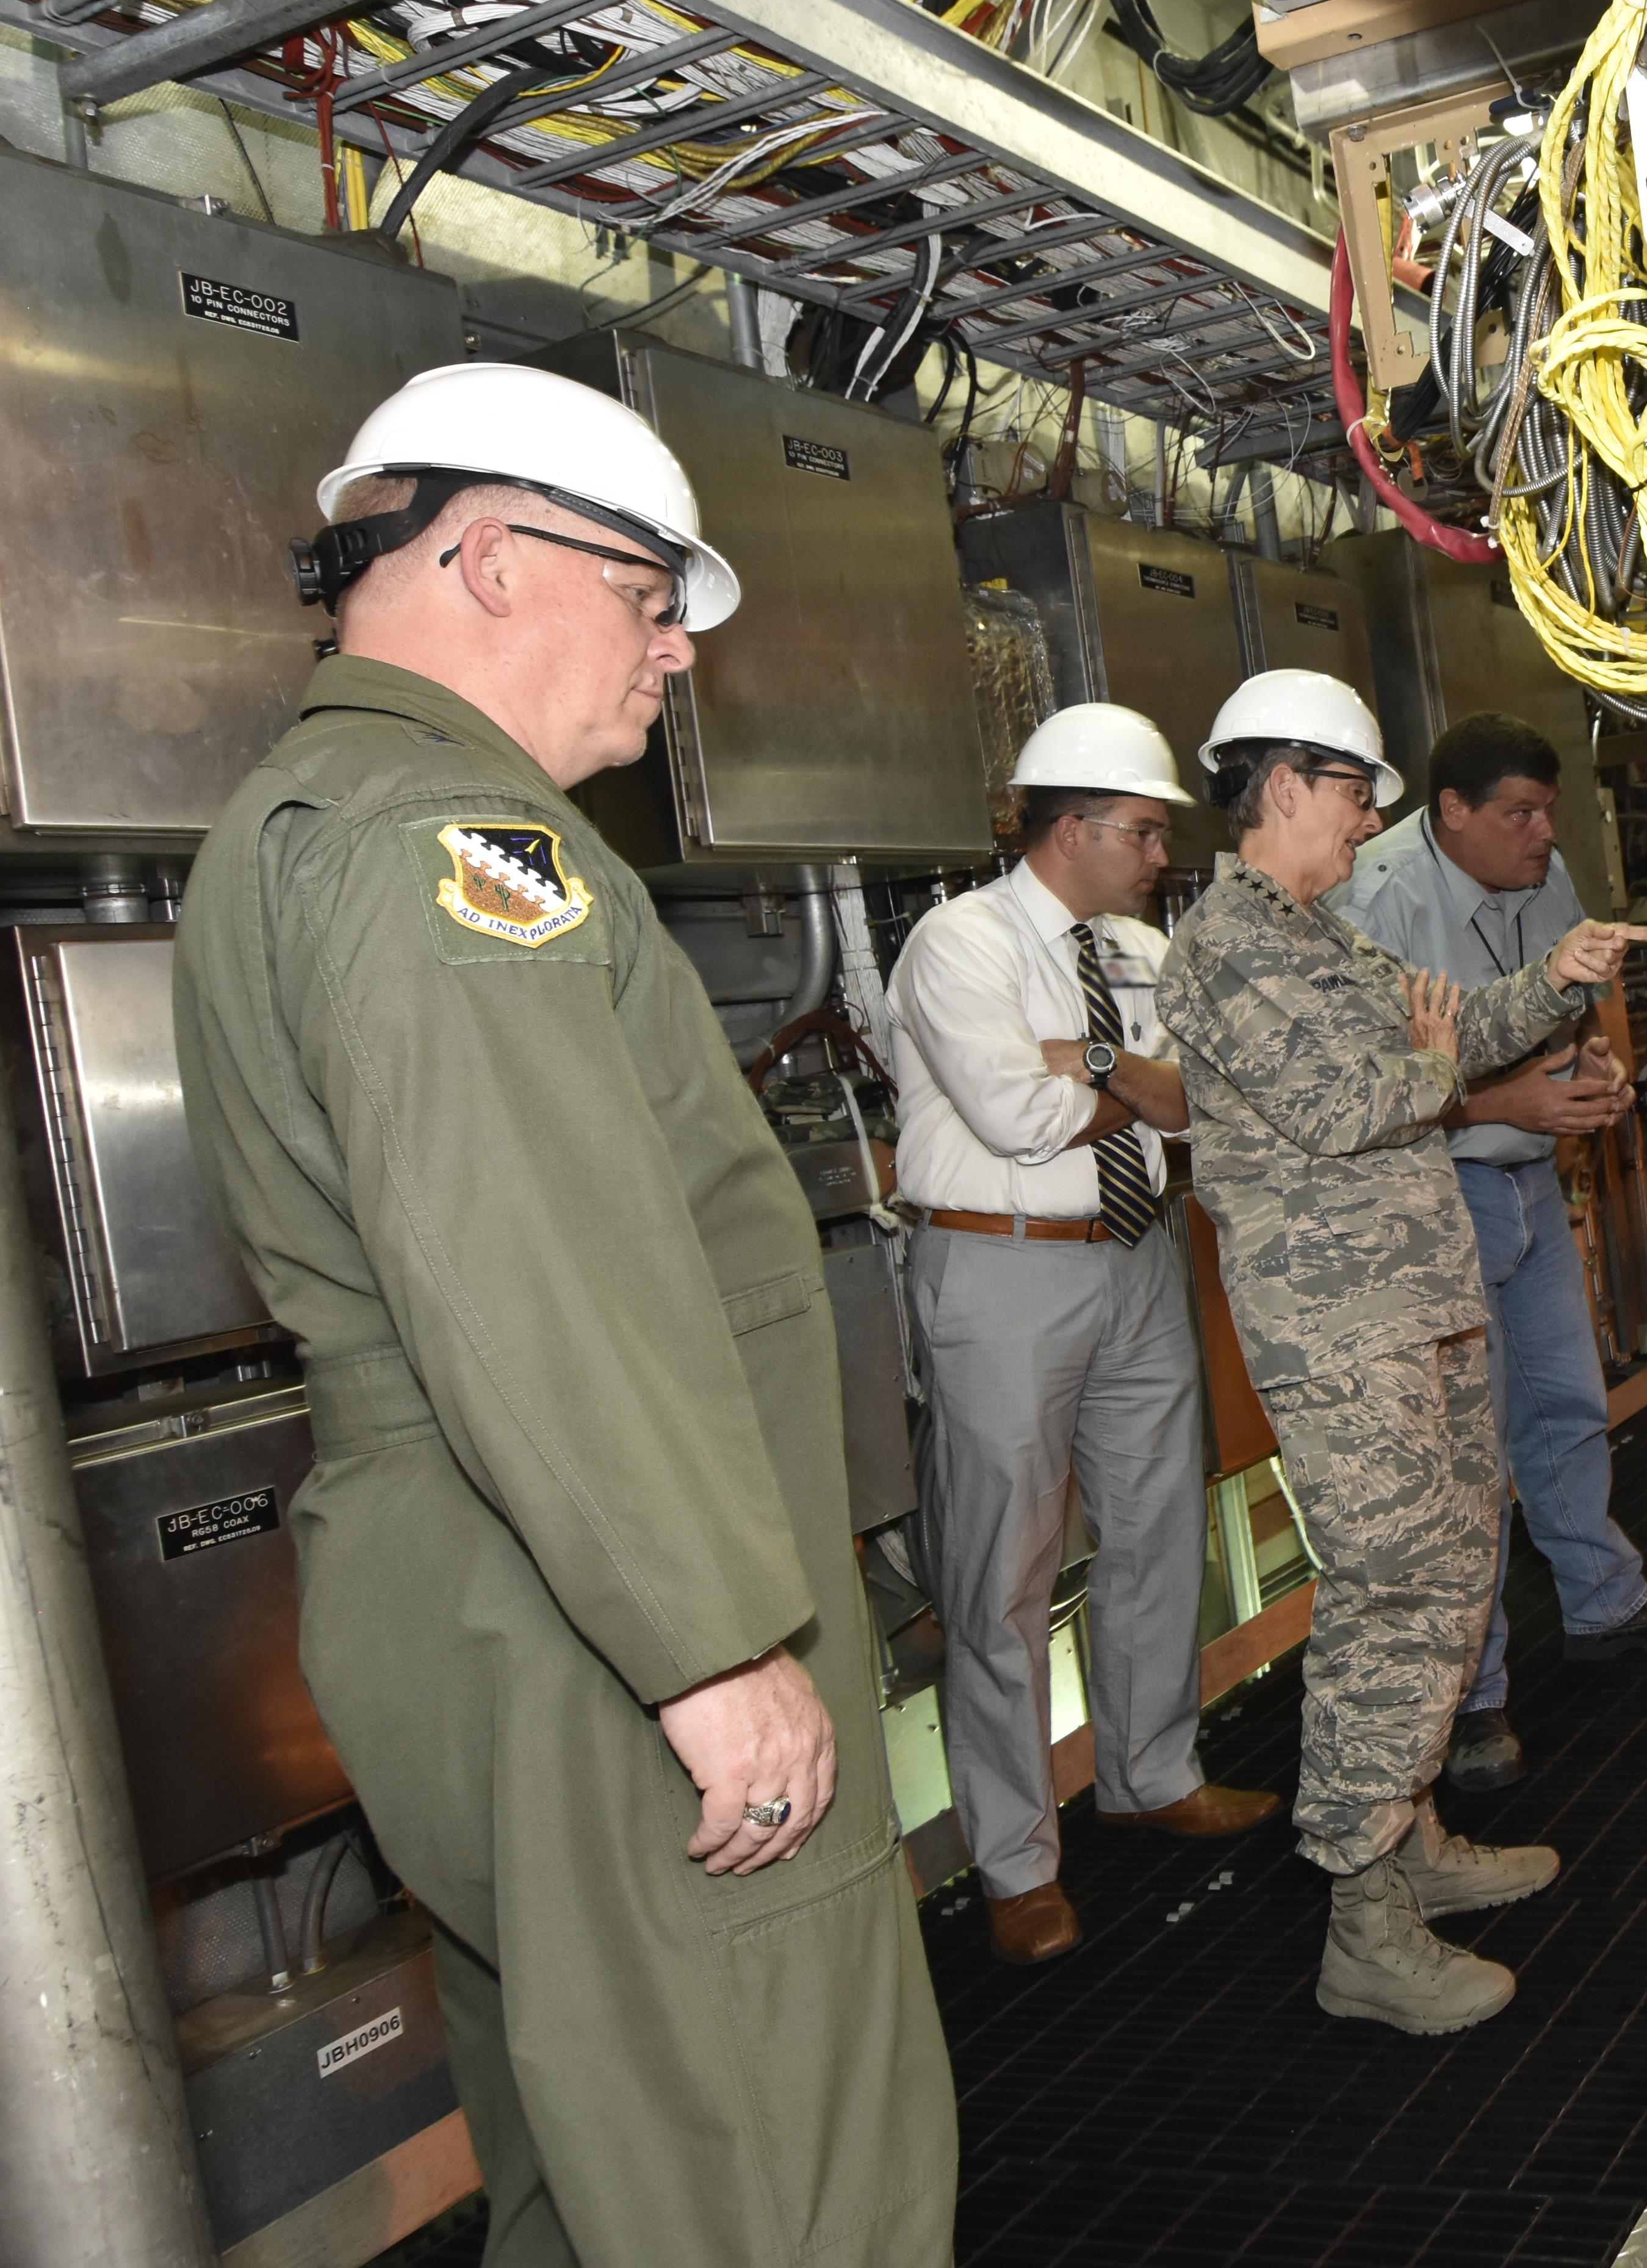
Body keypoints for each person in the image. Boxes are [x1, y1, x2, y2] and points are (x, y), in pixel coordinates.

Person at [173, 363, 955, 2265]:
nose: (677, 652)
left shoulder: (308, 816)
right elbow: (530, 1270)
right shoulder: (457, 848)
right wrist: (709, 1650)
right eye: (650, 588)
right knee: (775, 2170)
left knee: (598, 2164)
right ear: (495, 558)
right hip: (601, 1634)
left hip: (487, 1602)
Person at [1154, 670, 1647, 2035]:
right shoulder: (1231, 942)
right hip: (1342, 1330)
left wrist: (1551, 981)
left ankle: (1411, 1834)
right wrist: (1442, 1061)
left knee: (1452, 1569)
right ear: (1283, 787)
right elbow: (1345, 1101)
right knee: (1392, 1593)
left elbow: (1453, 1032)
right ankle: (1363, 1920)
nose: (1368, 817)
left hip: (1419, 1303)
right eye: (1353, 791)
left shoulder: (1323, 935)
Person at [887, 702, 1281, 1968]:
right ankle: (1013, 1860)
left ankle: (1152, 1769)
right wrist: (1124, 1079)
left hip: (1136, 1258)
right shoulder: (959, 942)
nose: (1162, 851)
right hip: (1004, 1269)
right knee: (1002, 1570)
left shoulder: (1135, 948)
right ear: (1071, 827)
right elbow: (1013, 1115)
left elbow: (1198, 1106)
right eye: (1143, 829)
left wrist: (1088, 1057)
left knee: (1161, 1527)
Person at [1332, 715, 1647, 1793]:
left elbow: (1560, 1021)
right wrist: (1509, 1102)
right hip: (1431, 1193)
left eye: (1548, 810)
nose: (1543, 833)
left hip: (1528, 1184)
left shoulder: (1545, 881)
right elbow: (1360, 1097)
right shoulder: (1379, 902)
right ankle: (1471, 1699)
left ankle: (1604, 1602)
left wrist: (1589, 1068)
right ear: (1449, 813)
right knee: (1466, 1453)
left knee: (1564, 1402)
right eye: (1519, 813)